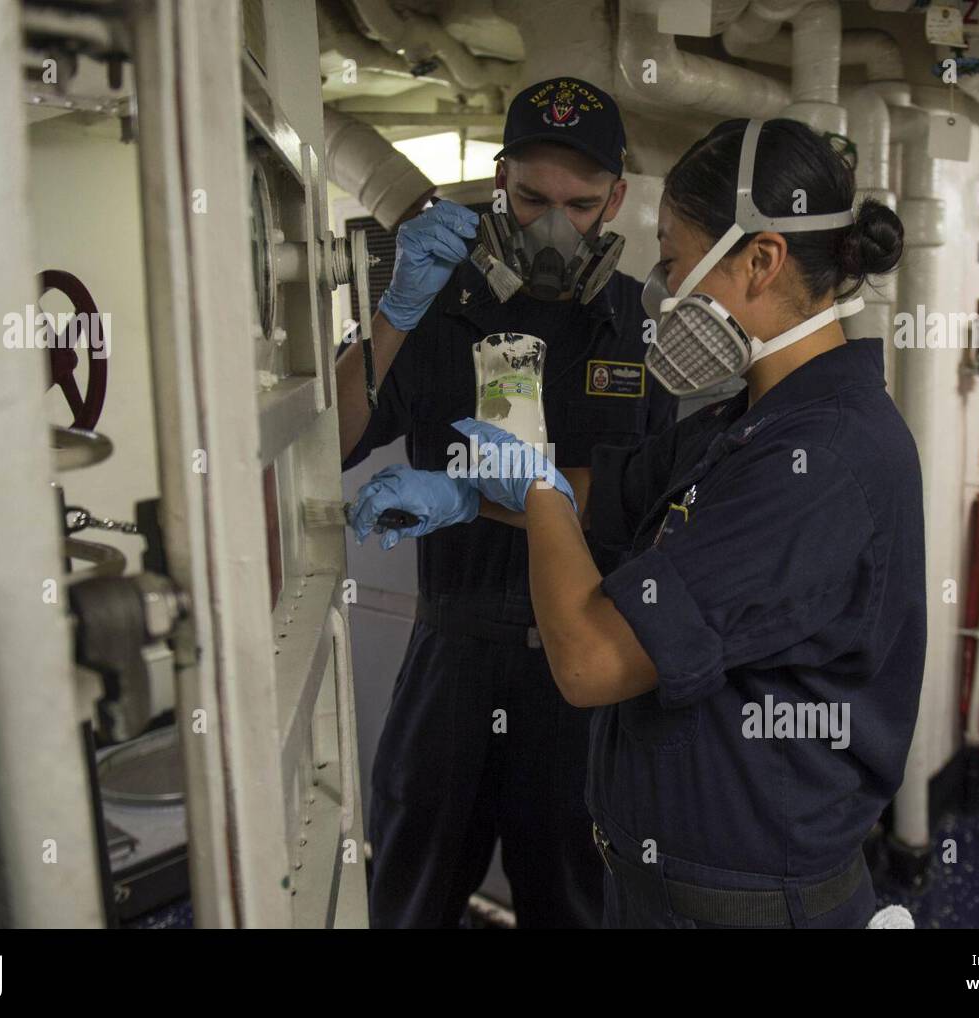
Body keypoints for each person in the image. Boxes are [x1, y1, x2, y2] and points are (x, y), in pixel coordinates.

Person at [350, 117, 926, 928]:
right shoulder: (752, 418)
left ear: (760, 260)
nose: (663, 286)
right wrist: (469, 493)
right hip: (673, 884)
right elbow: (612, 492)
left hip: (750, 900)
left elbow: (587, 662)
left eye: (676, 257)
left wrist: (538, 490)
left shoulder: (821, 459)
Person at [336, 77, 677, 928]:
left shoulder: (646, 325)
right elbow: (332, 438)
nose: (554, 225)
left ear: (619, 202)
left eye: (581, 203)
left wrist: (468, 495)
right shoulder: (442, 306)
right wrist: (395, 312)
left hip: (582, 662)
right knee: (410, 895)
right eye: (530, 198)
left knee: (574, 899)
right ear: (498, 183)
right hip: (453, 646)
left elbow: (649, 500)